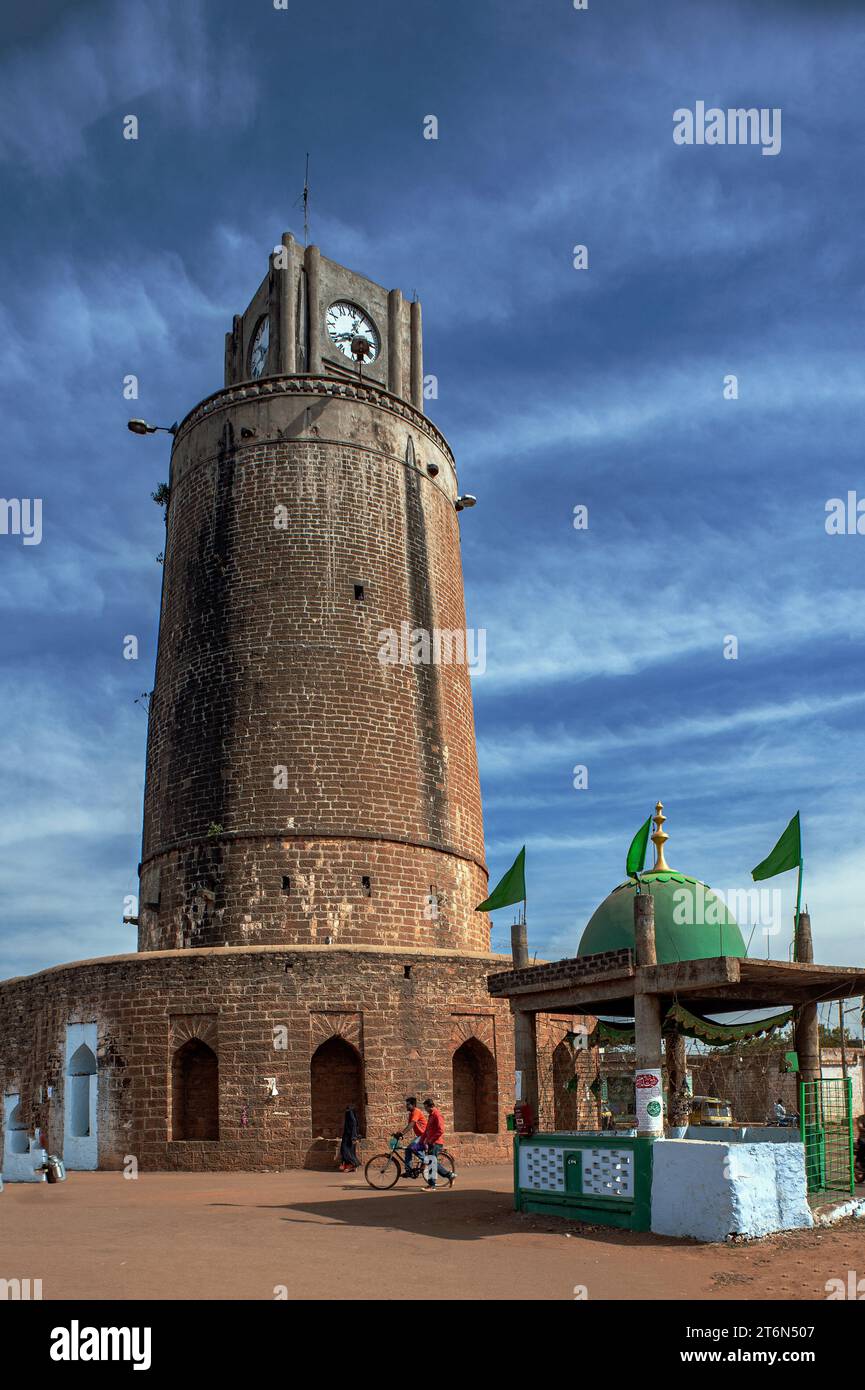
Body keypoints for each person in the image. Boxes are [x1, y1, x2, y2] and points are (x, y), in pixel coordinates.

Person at [421, 1097, 455, 1190]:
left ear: (430, 1106)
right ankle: (449, 1175)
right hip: (431, 1142)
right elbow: (427, 1130)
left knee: (432, 1163)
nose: (425, 1110)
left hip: (436, 1143)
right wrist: (422, 1140)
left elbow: (441, 1130)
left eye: (426, 1108)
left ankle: (432, 1185)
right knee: (433, 1163)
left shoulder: (437, 1115)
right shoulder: (431, 1115)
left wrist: (431, 1140)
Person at [398, 1095, 427, 1177]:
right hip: (420, 1136)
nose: (406, 1106)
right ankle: (408, 1170)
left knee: (412, 1147)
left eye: (408, 1104)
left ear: (413, 1105)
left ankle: (426, 1160)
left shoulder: (416, 1111)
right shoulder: (411, 1114)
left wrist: (402, 1133)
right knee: (408, 1150)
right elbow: (409, 1126)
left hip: (424, 1135)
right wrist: (399, 1133)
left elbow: (411, 1124)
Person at [339, 1102, 360, 1172]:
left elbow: (353, 1125)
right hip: (348, 1136)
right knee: (348, 1151)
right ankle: (349, 1165)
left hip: (349, 1137)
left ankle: (353, 1165)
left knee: (346, 1151)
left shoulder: (351, 1115)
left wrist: (353, 1137)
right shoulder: (351, 1115)